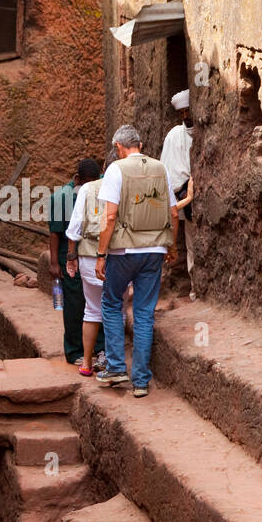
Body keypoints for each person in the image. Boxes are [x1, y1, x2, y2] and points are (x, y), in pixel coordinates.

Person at [95, 124, 178, 398]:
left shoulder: (115, 170)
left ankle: (117, 367)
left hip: (123, 252)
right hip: (154, 250)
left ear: (118, 147)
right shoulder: (160, 169)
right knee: (144, 313)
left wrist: (100, 254)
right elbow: (174, 213)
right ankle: (141, 381)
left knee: (111, 303)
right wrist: (172, 246)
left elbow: (109, 217)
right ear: (139, 145)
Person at [64, 157, 108, 376]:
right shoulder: (116, 186)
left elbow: (75, 228)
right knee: (115, 309)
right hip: (115, 256)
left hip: (90, 256)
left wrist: (71, 256)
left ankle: (86, 363)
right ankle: (111, 360)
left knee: (91, 310)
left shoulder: (85, 191)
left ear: (77, 179)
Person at [48, 163, 89, 366]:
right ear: (77, 179)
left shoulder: (94, 190)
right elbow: (55, 233)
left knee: (92, 304)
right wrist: (55, 262)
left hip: (89, 253)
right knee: (73, 304)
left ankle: (96, 348)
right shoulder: (61, 198)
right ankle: (74, 350)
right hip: (68, 256)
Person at [159, 89, 195, 284]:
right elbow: (169, 172)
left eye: (188, 111)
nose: (185, 116)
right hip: (182, 197)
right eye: (182, 113)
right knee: (189, 243)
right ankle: (194, 284)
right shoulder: (174, 135)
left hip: (188, 196)